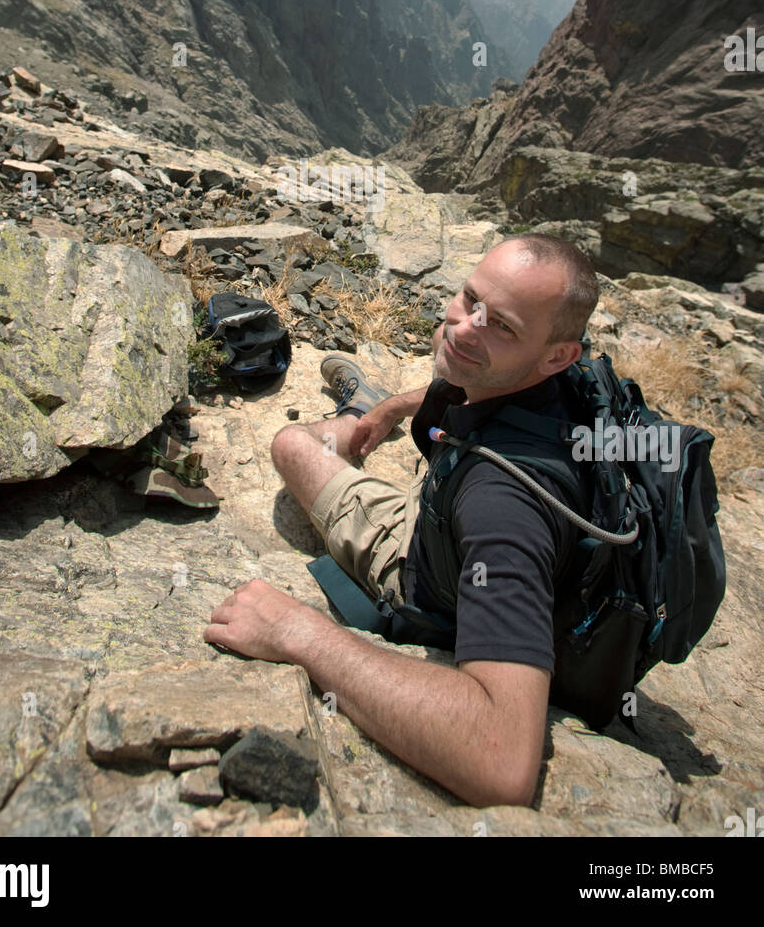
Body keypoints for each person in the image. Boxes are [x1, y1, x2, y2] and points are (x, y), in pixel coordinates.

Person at [204, 234, 599, 808]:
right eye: (470, 298)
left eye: (503, 327)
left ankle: (353, 413)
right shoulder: (573, 380)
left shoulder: (502, 505)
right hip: (478, 533)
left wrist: (301, 635)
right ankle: (371, 406)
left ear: (557, 355)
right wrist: (396, 407)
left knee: (293, 444)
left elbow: (502, 762)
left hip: (429, 566)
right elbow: (473, 364)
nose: (464, 327)